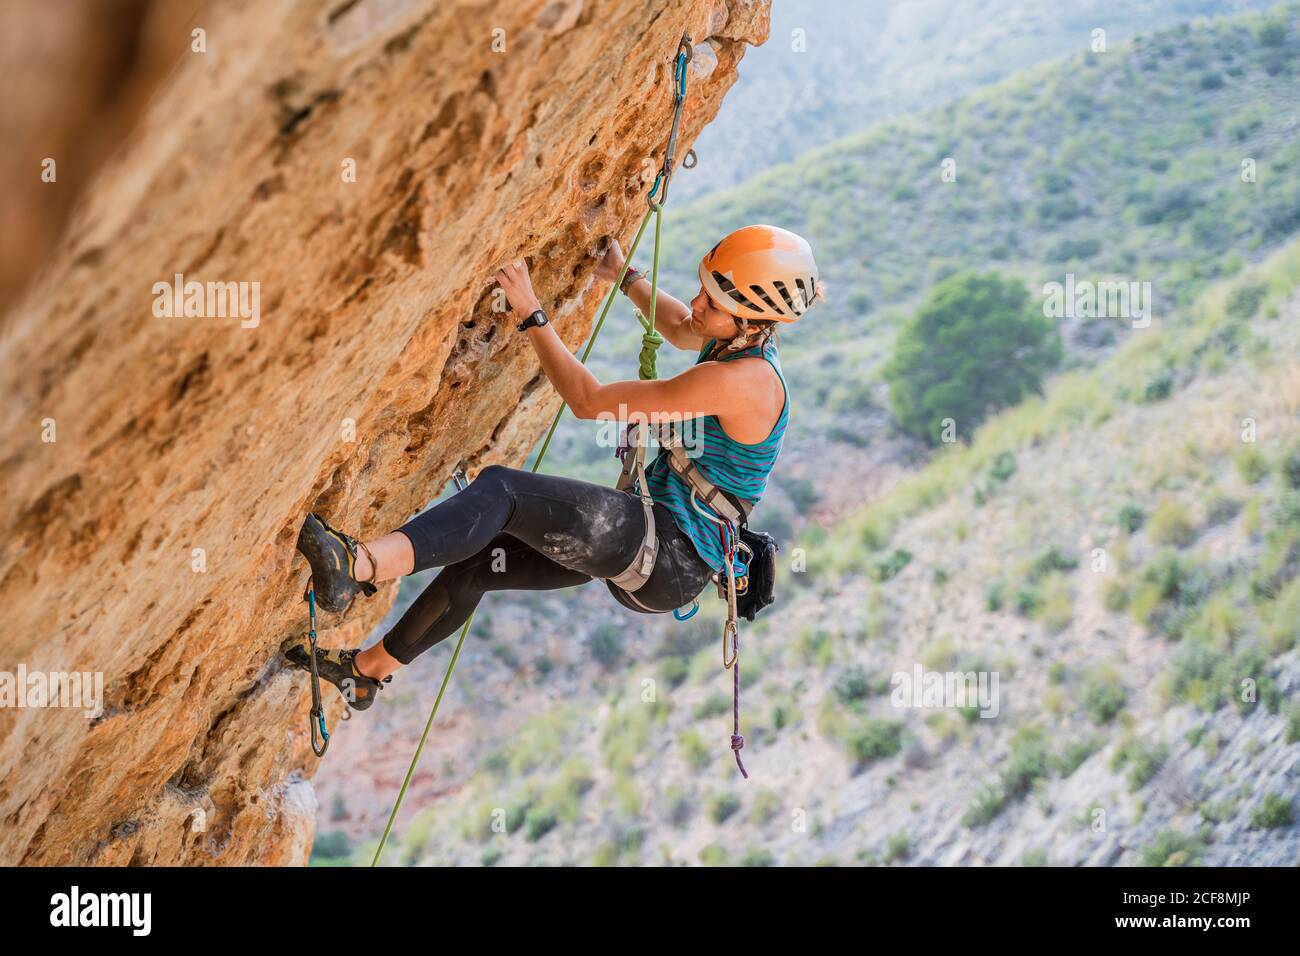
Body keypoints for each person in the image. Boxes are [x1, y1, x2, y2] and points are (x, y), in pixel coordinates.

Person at [286, 225, 820, 710]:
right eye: (704, 288)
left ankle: (356, 567)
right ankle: (364, 674)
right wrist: (624, 276)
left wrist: (531, 312)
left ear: (751, 319)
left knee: (503, 491)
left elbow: (588, 401)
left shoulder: (744, 383)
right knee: (481, 562)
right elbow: (682, 325)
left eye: (715, 300)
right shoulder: (737, 343)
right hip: (663, 556)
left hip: (668, 553)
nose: (699, 302)